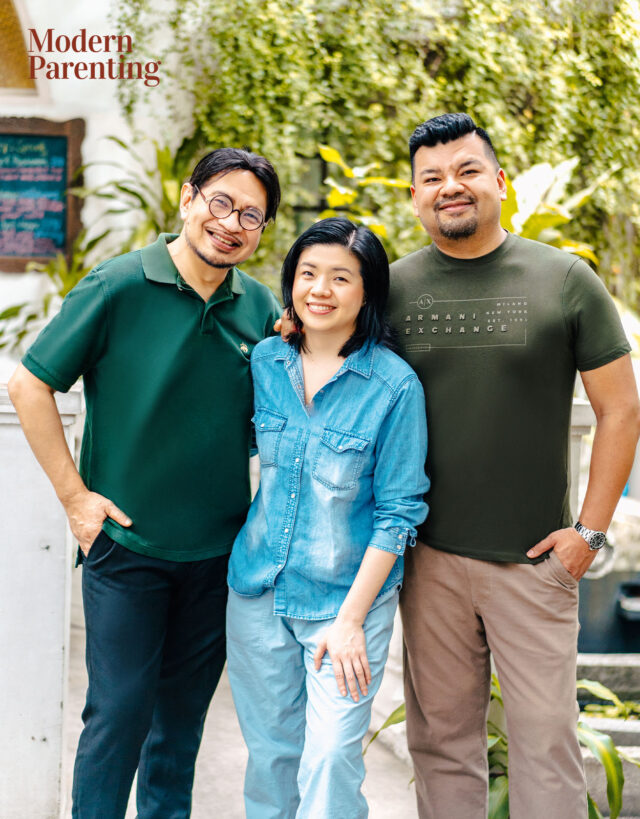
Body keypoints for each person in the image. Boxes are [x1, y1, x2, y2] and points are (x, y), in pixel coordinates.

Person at [8, 148, 282, 819]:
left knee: (179, 731)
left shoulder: (260, 307)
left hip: (217, 556)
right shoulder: (117, 285)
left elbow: (270, 417)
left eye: (251, 215)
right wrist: (75, 499)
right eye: (221, 202)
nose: (232, 223)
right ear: (189, 198)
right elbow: (29, 384)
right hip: (126, 549)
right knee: (118, 718)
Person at [388, 112, 640, 819]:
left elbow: (621, 409)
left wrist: (587, 535)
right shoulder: (391, 288)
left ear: (500, 181)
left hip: (535, 562)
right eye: (432, 177)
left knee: (546, 747)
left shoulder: (565, 279)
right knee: (441, 746)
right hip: (427, 560)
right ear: (415, 196)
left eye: (467, 170)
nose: (450, 186)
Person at [226, 216, 429, 819]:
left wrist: (350, 621)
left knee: (332, 756)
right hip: (258, 593)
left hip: (345, 604)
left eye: (341, 277)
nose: (320, 289)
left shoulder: (394, 386)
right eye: (308, 273)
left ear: (368, 293)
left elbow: (399, 514)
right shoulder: (266, 361)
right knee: (270, 757)